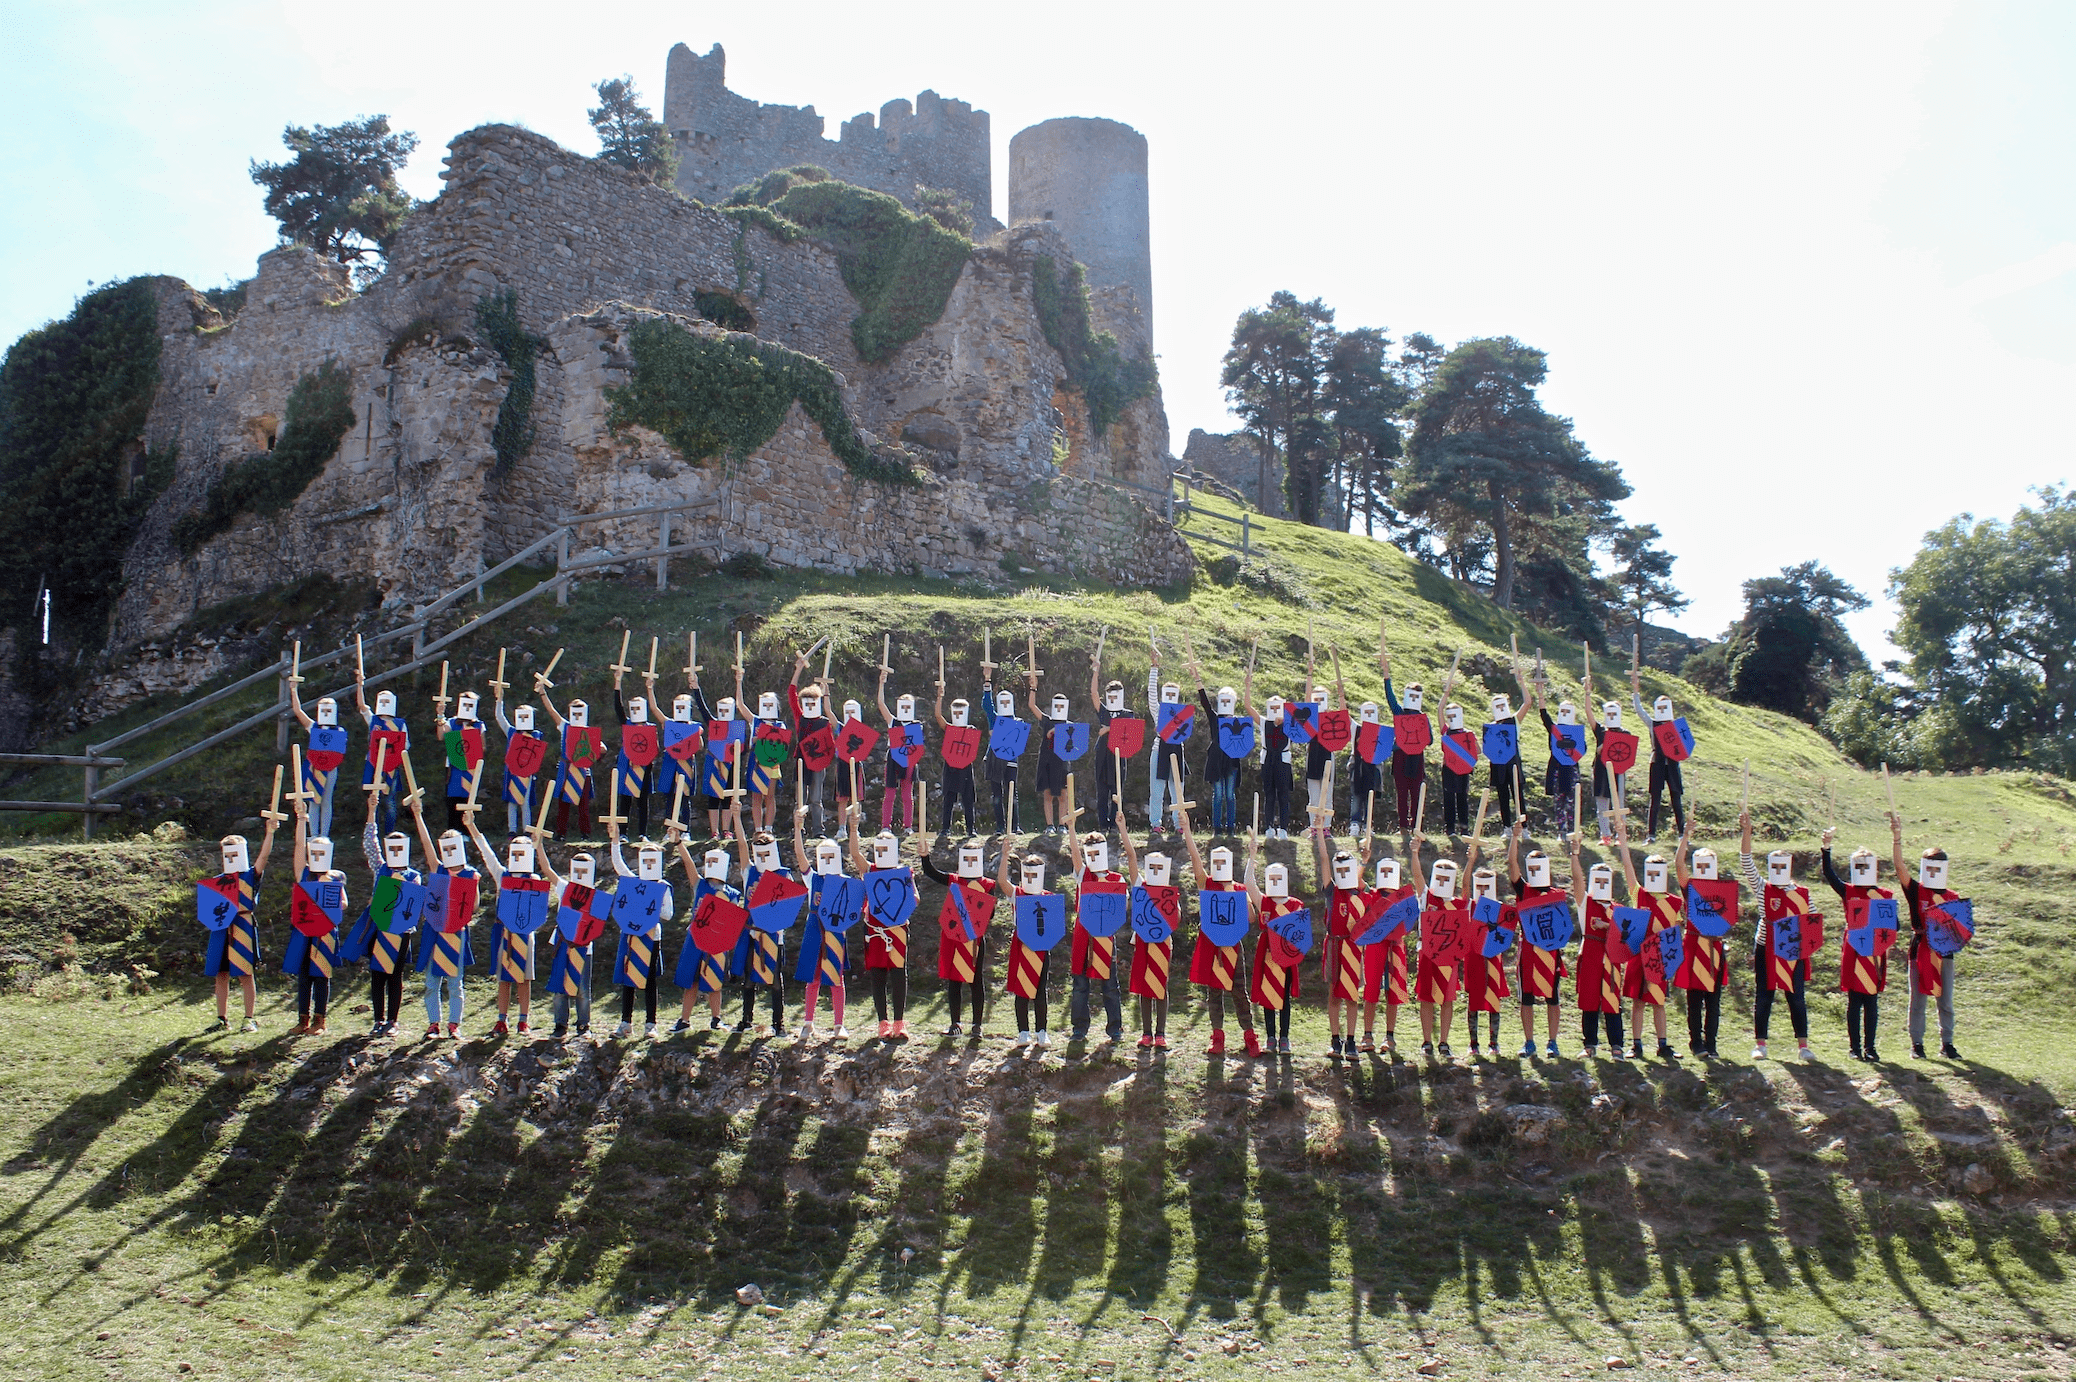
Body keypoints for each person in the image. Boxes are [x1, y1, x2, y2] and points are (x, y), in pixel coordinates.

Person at [1177, 811, 1260, 1056]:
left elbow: (1252, 919)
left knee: (1238, 991)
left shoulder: (1238, 889)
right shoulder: (1207, 883)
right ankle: (1218, 1038)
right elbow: (1194, 859)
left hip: (1233, 946)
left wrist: (1242, 899)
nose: (1221, 866)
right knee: (1214, 992)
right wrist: (1188, 830)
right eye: (1218, 862)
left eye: (1225, 862)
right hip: (1212, 944)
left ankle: (1250, 1036)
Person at [1740, 808, 1815, 1062]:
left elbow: (1812, 922)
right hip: (1766, 946)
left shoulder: (1801, 894)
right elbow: (1746, 862)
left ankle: (1803, 1046)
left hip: (1793, 948)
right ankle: (1760, 1043)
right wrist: (1747, 832)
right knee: (1764, 994)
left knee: (1796, 997)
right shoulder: (1764, 888)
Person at [1612, 807, 1687, 1061]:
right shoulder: (1639, 894)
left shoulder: (1675, 902)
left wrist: (1673, 959)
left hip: (1659, 957)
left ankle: (1663, 1045)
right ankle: (1636, 1044)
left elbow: (1675, 934)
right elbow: (1627, 867)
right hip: (1637, 953)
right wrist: (1622, 839)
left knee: (1658, 1001)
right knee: (1637, 1001)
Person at [344, 784, 418, 1037]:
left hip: (401, 930)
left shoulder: (413, 876)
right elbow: (370, 844)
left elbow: (412, 905)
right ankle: (378, 1019)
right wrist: (371, 811)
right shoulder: (382, 868)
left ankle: (393, 1021)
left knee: (395, 975)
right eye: (391, 849)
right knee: (378, 974)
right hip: (380, 927)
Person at [463, 815, 545, 1038]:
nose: (517, 856)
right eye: (514, 852)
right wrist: (471, 826)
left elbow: (537, 908)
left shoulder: (534, 879)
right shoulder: (503, 876)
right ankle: (501, 1020)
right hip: (504, 933)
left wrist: (537, 845)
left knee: (524, 978)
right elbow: (487, 854)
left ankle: (523, 1020)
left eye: (522, 852)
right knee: (504, 978)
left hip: (525, 933)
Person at [1891, 813, 1963, 1060]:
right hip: (1920, 947)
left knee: (1946, 1000)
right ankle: (1917, 1045)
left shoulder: (1952, 897)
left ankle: (1948, 1044)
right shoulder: (1916, 890)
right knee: (1918, 1000)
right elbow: (1900, 868)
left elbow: (1960, 927)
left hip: (1945, 950)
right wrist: (1897, 839)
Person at [1823, 826, 1893, 1061]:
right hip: (1854, 947)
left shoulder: (1883, 894)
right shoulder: (1849, 891)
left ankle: (1870, 1048)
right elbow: (1829, 874)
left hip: (1874, 950)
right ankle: (1854, 1048)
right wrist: (1826, 848)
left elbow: (1893, 924)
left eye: (1867, 865)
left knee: (1871, 1000)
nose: (1863, 870)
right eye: (1859, 866)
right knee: (1854, 1001)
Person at [670, 809, 743, 1032]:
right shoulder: (700, 885)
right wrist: (679, 844)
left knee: (714, 981)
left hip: (717, 942)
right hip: (696, 938)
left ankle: (716, 1018)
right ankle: (684, 1020)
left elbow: (734, 921)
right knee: (690, 980)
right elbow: (689, 865)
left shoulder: (732, 893)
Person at [410, 804, 479, 1041]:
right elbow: (427, 846)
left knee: (455, 983)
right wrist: (418, 815)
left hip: (456, 933)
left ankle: (454, 1025)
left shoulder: (470, 874)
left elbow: (474, 906)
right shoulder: (438, 869)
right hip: (435, 931)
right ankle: (433, 1024)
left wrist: (472, 888)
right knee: (431, 982)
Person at [794, 803, 859, 1040]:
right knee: (813, 978)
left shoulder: (845, 880)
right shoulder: (813, 880)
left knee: (836, 977)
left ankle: (838, 1025)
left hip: (835, 931)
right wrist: (797, 829)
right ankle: (808, 1023)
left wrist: (853, 828)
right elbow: (800, 857)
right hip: (814, 930)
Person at [280, 800, 344, 1037]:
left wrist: (328, 892)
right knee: (305, 975)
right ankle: (303, 1020)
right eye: (313, 852)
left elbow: (343, 903)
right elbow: (298, 845)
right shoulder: (304, 873)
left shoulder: (334, 877)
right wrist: (302, 819)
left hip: (325, 932)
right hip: (304, 930)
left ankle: (320, 1020)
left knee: (321, 975)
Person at [923, 837, 998, 1037]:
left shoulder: (988, 885)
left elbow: (989, 916)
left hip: (974, 940)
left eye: (975, 860)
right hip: (953, 937)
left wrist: (987, 903)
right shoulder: (954, 880)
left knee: (976, 980)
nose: (971, 864)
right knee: (954, 980)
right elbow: (932, 873)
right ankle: (955, 1024)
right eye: (968, 860)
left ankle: (977, 1026)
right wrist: (924, 856)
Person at [1510, 826, 1569, 1059]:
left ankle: (1552, 1042)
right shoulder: (1524, 890)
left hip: (1550, 950)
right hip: (1528, 951)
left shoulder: (1555, 894)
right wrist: (1514, 837)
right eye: (1531, 867)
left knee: (1552, 996)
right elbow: (1512, 864)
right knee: (1527, 997)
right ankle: (1529, 1042)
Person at [1314, 823, 1373, 1059]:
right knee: (1334, 994)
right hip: (1335, 945)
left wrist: (1365, 860)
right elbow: (1324, 859)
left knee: (1351, 995)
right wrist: (1319, 833)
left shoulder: (1358, 891)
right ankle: (1335, 1040)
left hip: (1353, 946)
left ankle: (1350, 1040)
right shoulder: (1332, 890)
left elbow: (1356, 877)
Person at [608, 822, 671, 1038]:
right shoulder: (634, 882)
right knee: (629, 980)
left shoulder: (662, 885)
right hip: (632, 935)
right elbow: (618, 865)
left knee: (650, 979)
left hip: (652, 937)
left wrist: (653, 905)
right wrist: (615, 840)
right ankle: (625, 1023)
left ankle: (650, 1024)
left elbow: (668, 914)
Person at [854, 826, 918, 1038]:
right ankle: (883, 1022)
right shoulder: (871, 871)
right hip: (874, 931)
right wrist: (854, 827)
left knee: (899, 974)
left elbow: (916, 898)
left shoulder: (903, 873)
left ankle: (899, 1022)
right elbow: (855, 853)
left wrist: (906, 899)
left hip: (897, 930)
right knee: (878, 974)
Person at [731, 829, 793, 1035]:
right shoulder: (750, 872)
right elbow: (741, 847)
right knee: (749, 978)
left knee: (775, 979)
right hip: (752, 933)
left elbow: (789, 906)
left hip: (774, 935)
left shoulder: (784, 874)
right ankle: (746, 1020)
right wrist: (737, 819)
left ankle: (778, 1024)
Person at [1247, 842, 1306, 1054]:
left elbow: (1298, 936)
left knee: (1284, 998)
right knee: (1268, 997)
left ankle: (1284, 1038)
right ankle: (1271, 1037)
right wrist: (1252, 858)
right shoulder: (1265, 903)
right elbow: (1249, 885)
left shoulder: (1294, 904)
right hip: (1268, 955)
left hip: (1286, 958)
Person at [1675, 839, 1732, 1059]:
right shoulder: (1690, 889)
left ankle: (1711, 1043)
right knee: (1695, 999)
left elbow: (1728, 918)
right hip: (1694, 945)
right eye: (1700, 865)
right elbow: (1679, 865)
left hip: (1714, 947)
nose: (1704, 870)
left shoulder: (1723, 890)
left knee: (1713, 1000)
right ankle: (1696, 1043)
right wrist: (1685, 838)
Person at [1070, 830, 1129, 1043]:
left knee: (1109, 985)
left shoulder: (1116, 879)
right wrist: (1071, 830)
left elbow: (1123, 906)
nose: (1094, 858)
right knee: (1080, 984)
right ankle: (1079, 1028)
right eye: (1090, 854)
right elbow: (1076, 857)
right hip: (1083, 934)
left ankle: (1115, 1028)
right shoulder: (1083, 875)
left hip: (1104, 936)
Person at [1570, 839, 1626, 1059]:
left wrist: (1609, 925)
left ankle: (1617, 1046)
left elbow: (1627, 933)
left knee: (1612, 1001)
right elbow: (1577, 881)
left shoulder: (1617, 909)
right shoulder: (1586, 903)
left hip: (1611, 956)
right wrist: (1575, 855)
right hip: (1592, 953)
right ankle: (1590, 1045)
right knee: (1590, 999)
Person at [1411, 835, 1465, 1060]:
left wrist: (1470, 861)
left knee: (1447, 998)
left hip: (1448, 955)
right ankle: (1427, 1041)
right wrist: (1414, 852)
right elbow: (1417, 876)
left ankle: (1444, 1041)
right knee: (1427, 997)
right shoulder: (1427, 897)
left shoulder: (1456, 903)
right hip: (1427, 953)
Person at [541, 846, 603, 1038]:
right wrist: (539, 845)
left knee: (583, 989)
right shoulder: (564, 888)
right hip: (563, 944)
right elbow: (547, 869)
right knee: (560, 987)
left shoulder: (596, 896)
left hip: (584, 948)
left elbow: (596, 924)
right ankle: (560, 1025)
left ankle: (584, 1025)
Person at [1195, 656, 1253, 838]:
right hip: (1216, 759)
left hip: (1232, 760)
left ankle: (1231, 829)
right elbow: (1204, 703)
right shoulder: (1215, 718)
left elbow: (1244, 740)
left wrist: (1247, 686)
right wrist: (1198, 680)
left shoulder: (1237, 721)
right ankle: (1217, 829)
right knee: (1218, 794)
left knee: (1230, 794)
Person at [1003, 849, 1056, 1048]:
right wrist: (1004, 855)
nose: (1031, 878)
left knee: (1041, 990)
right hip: (1022, 945)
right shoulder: (1018, 893)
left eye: (1035, 874)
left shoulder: (1048, 897)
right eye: (1028, 874)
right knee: (1022, 991)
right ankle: (1023, 1032)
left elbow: (1053, 925)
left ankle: (1041, 1032)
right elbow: (1002, 882)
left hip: (1042, 948)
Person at [1461, 855, 1512, 1058]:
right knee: (1474, 1000)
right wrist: (1470, 862)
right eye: (1479, 886)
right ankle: (1473, 1043)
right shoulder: (1469, 905)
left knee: (1494, 1000)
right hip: (1473, 957)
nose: (1482, 891)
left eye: (1486, 886)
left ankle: (1494, 1043)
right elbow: (1464, 886)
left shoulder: (1499, 907)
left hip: (1492, 957)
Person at [1129, 840, 1177, 1049]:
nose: (1156, 871)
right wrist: (1122, 829)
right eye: (1152, 867)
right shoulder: (1142, 886)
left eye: (1160, 867)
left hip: (1163, 942)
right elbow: (1131, 861)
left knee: (1160, 986)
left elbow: (1176, 917)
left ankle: (1160, 1034)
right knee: (1144, 986)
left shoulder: (1168, 892)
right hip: (1142, 940)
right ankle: (1146, 1033)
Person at [538, 686, 602, 841]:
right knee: (563, 804)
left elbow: (602, 748)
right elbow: (552, 711)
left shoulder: (587, 731)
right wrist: (542, 693)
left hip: (582, 769)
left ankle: (585, 834)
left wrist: (597, 753)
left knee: (583, 805)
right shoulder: (565, 726)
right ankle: (561, 833)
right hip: (566, 769)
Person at [1380, 649, 1432, 836]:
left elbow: (1430, 740)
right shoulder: (1400, 714)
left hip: (1416, 760)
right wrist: (1386, 676)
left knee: (1416, 795)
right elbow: (1390, 699)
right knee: (1402, 794)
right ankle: (1403, 827)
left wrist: (1416, 738)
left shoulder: (1423, 719)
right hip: (1401, 760)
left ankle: (1417, 828)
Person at [1634, 669, 1686, 843]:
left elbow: (1684, 747)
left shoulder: (1677, 726)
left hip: (1672, 765)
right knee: (1655, 800)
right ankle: (1651, 835)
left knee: (1676, 799)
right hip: (1657, 764)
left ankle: (1682, 834)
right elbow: (1640, 712)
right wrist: (1635, 691)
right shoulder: (1653, 725)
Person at [288, 684, 345, 838]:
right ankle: (314, 834)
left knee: (326, 801)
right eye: (323, 710)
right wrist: (293, 690)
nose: (326, 713)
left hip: (331, 768)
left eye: (329, 710)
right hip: (315, 768)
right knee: (314, 801)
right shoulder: (314, 727)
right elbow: (298, 711)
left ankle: (324, 835)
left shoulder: (339, 731)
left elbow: (339, 752)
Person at [355, 677, 408, 836]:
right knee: (374, 800)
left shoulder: (399, 724)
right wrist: (359, 685)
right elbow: (362, 706)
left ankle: (389, 834)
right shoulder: (374, 720)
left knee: (389, 802)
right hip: (373, 764)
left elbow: (405, 745)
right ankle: (373, 833)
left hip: (391, 766)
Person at [610, 667, 660, 838]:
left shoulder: (650, 728)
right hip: (627, 764)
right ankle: (623, 833)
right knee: (625, 799)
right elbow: (618, 707)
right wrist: (618, 682)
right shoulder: (627, 725)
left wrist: (646, 761)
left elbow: (655, 748)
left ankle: (642, 833)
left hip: (644, 766)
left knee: (642, 801)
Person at [494, 689, 549, 839]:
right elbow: (500, 718)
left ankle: (527, 830)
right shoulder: (512, 732)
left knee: (524, 802)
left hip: (527, 773)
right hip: (512, 772)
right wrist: (499, 700)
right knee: (512, 802)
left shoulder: (536, 735)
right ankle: (512, 830)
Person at [788, 658, 835, 836]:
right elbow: (792, 694)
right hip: (801, 760)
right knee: (800, 798)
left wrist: (827, 693)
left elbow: (830, 743)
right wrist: (798, 670)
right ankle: (798, 829)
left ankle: (817, 830)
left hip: (818, 761)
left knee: (816, 798)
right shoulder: (801, 718)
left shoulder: (824, 722)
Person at [876, 672, 924, 835]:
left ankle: (908, 826)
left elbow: (916, 745)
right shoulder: (893, 721)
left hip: (909, 759)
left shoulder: (917, 724)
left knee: (907, 794)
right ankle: (885, 826)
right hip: (893, 758)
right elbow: (881, 704)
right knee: (889, 792)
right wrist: (881, 684)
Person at [437, 688, 490, 831]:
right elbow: (441, 736)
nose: (467, 708)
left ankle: (466, 832)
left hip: (471, 768)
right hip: (454, 766)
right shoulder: (453, 722)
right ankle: (452, 832)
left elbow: (483, 746)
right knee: (452, 799)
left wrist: (470, 739)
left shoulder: (478, 724)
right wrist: (440, 715)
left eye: (470, 705)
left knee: (467, 800)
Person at [933, 685, 981, 837]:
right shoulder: (949, 729)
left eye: (962, 712)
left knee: (968, 800)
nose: (959, 715)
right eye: (956, 712)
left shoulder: (971, 729)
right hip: (951, 767)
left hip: (966, 767)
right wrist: (939, 697)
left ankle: (970, 829)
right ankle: (945, 829)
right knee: (948, 799)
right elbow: (938, 717)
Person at [979, 683, 1025, 836]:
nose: (1005, 704)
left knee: (1012, 792)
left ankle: (1015, 826)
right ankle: (1000, 827)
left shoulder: (1018, 721)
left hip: (1011, 761)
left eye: (1007, 702)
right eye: (1002, 702)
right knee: (997, 794)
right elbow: (987, 706)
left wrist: (997, 732)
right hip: (995, 760)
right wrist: (987, 686)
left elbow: (1018, 739)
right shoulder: (995, 718)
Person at [1030, 685, 1074, 836]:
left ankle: (1062, 825)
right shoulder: (1047, 720)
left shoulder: (1069, 725)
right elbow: (1031, 706)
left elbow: (1075, 740)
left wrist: (1057, 730)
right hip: (1047, 761)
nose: (1060, 708)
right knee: (1047, 795)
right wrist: (1033, 688)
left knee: (1063, 795)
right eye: (1057, 705)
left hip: (1062, 764)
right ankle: (1049, 825)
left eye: (1062, 705)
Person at [1258, 694, 1295, 840]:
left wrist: (1287, 715)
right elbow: (1249, 708)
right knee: (1269, 795)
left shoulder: (1290, 722)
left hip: (1283, 761)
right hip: (1268, 760)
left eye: (1277, 707)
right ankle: (1269, 828)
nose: (1274, 710)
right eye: (1272, 707)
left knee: (1283, 795)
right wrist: (1247, 686)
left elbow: (1304, 712)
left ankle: (1284, 828)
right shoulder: (1264, 722)